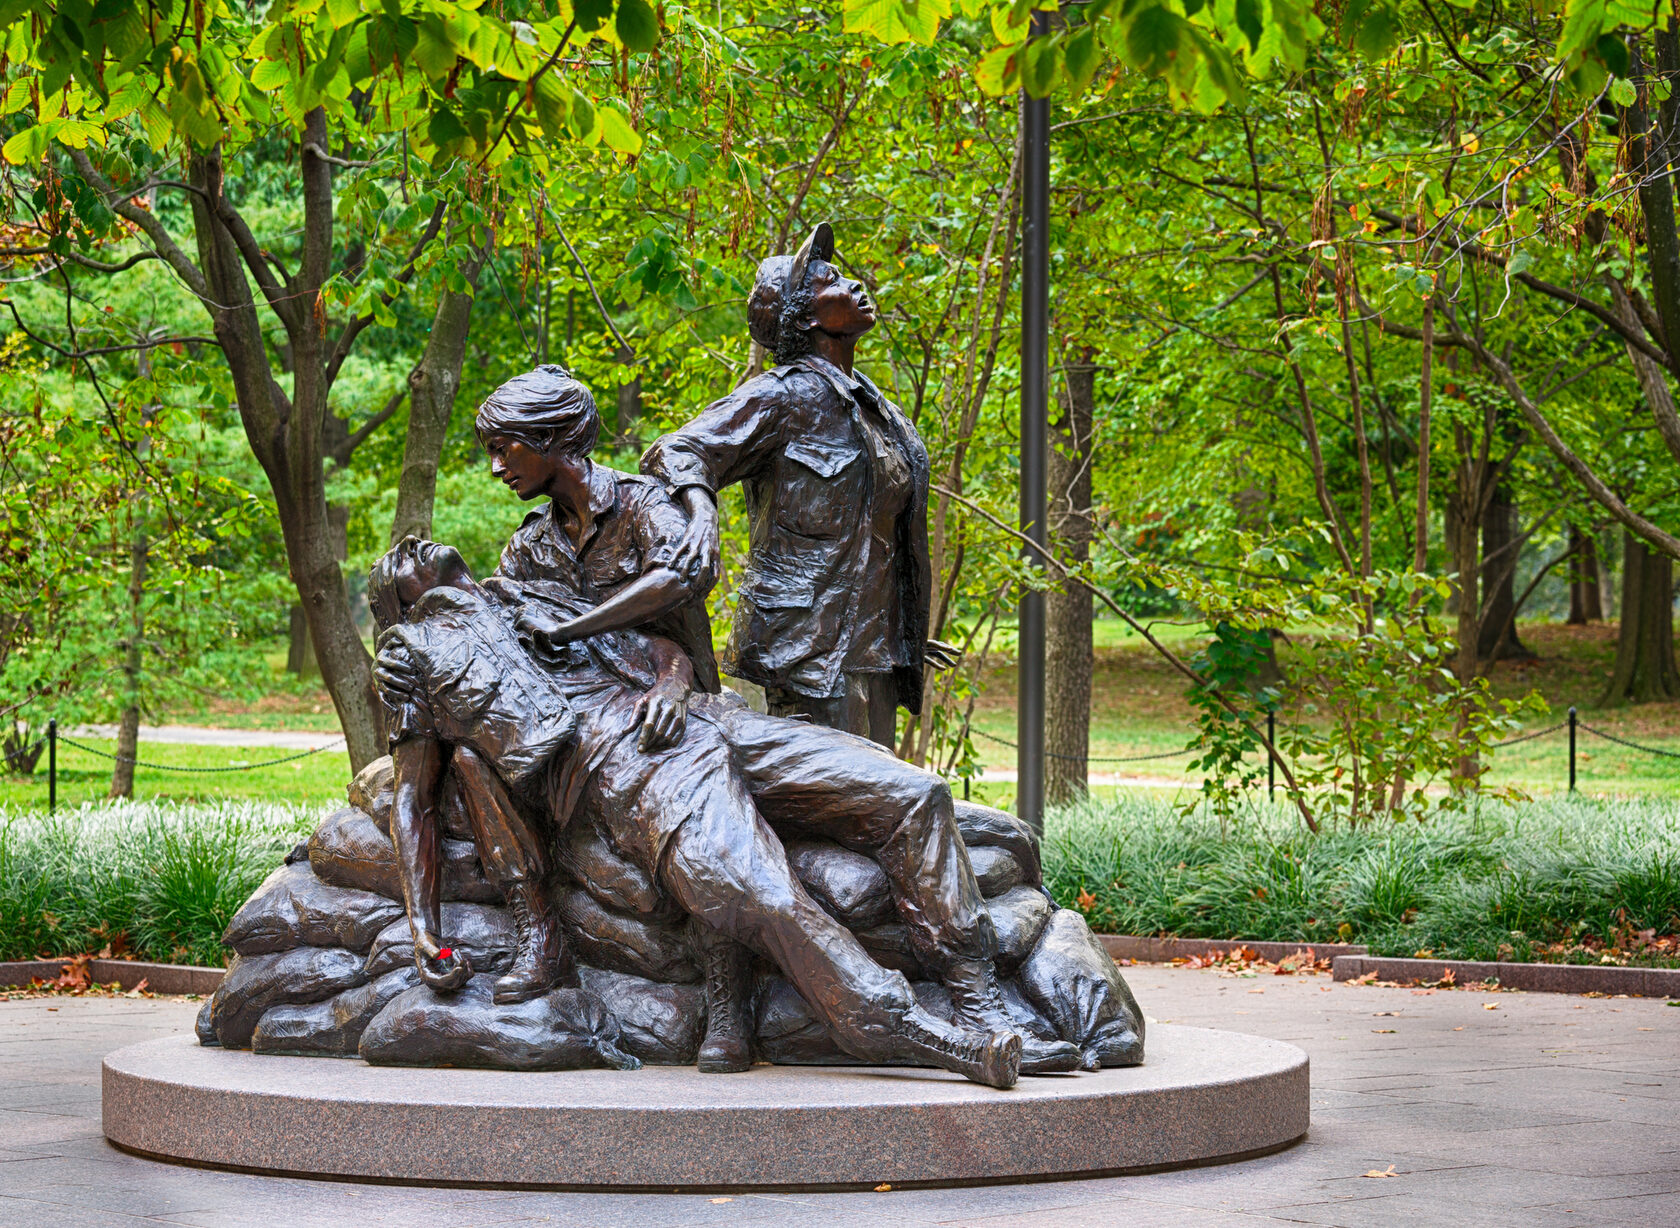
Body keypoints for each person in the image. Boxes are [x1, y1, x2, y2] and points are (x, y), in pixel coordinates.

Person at [367, 538, 1027, 1090]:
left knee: (914, 793)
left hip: (709, 721)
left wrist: (672, 686)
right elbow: (413, 800)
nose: (417, 542)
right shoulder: (411, 655)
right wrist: (425, 930)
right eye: (400, 557)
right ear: (395, 605)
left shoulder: (527, 591)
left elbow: (660, 649)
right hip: (634, 768)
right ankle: (920, 1031)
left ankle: (973, 990)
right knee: (761, 894)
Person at [641, 223, 956, 748]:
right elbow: (676, 451)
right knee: (839, 806)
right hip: (806, 651)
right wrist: (701, 515)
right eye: (831, 280)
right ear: (805, 316)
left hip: (873, 652)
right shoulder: (781, 398)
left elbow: (877, 536)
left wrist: (903, 627)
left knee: (882, 810)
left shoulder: (880, 412)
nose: (854, 284)